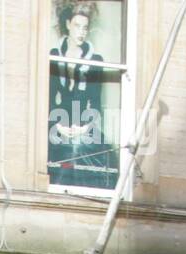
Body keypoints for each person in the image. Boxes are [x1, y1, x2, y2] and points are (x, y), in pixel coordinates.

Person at [48, 4, 113, 188]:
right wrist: (57, 124)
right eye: (77, 26)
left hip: (82, 123)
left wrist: (84, 128)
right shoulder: (54, 55)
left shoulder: (95, 60)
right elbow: (49, 97)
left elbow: (96, 102)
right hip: (58, 121)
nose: (81, 32)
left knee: (82, 150)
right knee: (58, 150)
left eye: (85, 27)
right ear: (68, 24)